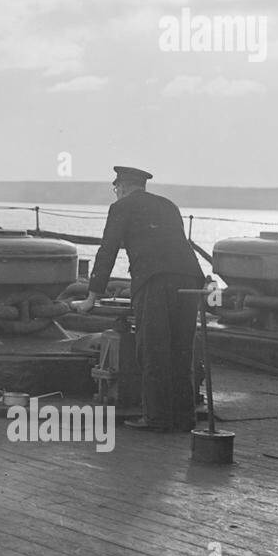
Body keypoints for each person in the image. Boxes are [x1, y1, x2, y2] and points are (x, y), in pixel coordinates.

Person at [72, 166, 204, 432]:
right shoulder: (168, 205)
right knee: (181, 350)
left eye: (116, 189)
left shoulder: (121, 207)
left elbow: (107, 251)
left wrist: (91, 297)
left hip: (155, 282)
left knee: (154, 349)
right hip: (191, 280)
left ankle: (157, 419)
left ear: (121, 187)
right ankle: (184, 416)